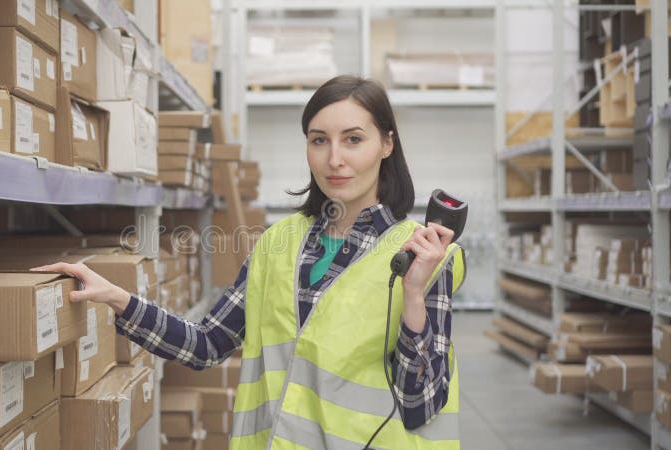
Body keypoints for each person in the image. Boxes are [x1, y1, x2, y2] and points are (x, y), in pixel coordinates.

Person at [32, 75, 465, 449]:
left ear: (386, 144)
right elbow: (206, 345)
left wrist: (412, 295)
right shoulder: (280, 243)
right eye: (319, 140)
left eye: (353, 139)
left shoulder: (422, 256)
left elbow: (419, 404)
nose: (335, 159)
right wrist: (118, 298)